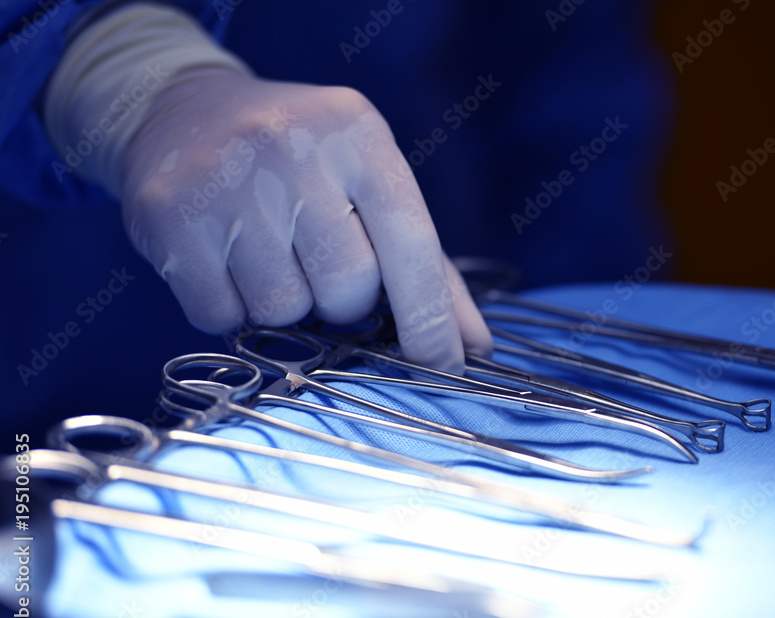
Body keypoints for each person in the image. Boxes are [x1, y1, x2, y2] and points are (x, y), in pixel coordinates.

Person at [0, 0, 673, 432]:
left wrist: (580, 354)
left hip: (417, 405)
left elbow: (566, 98)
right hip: (55, 382)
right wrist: (100, 59)